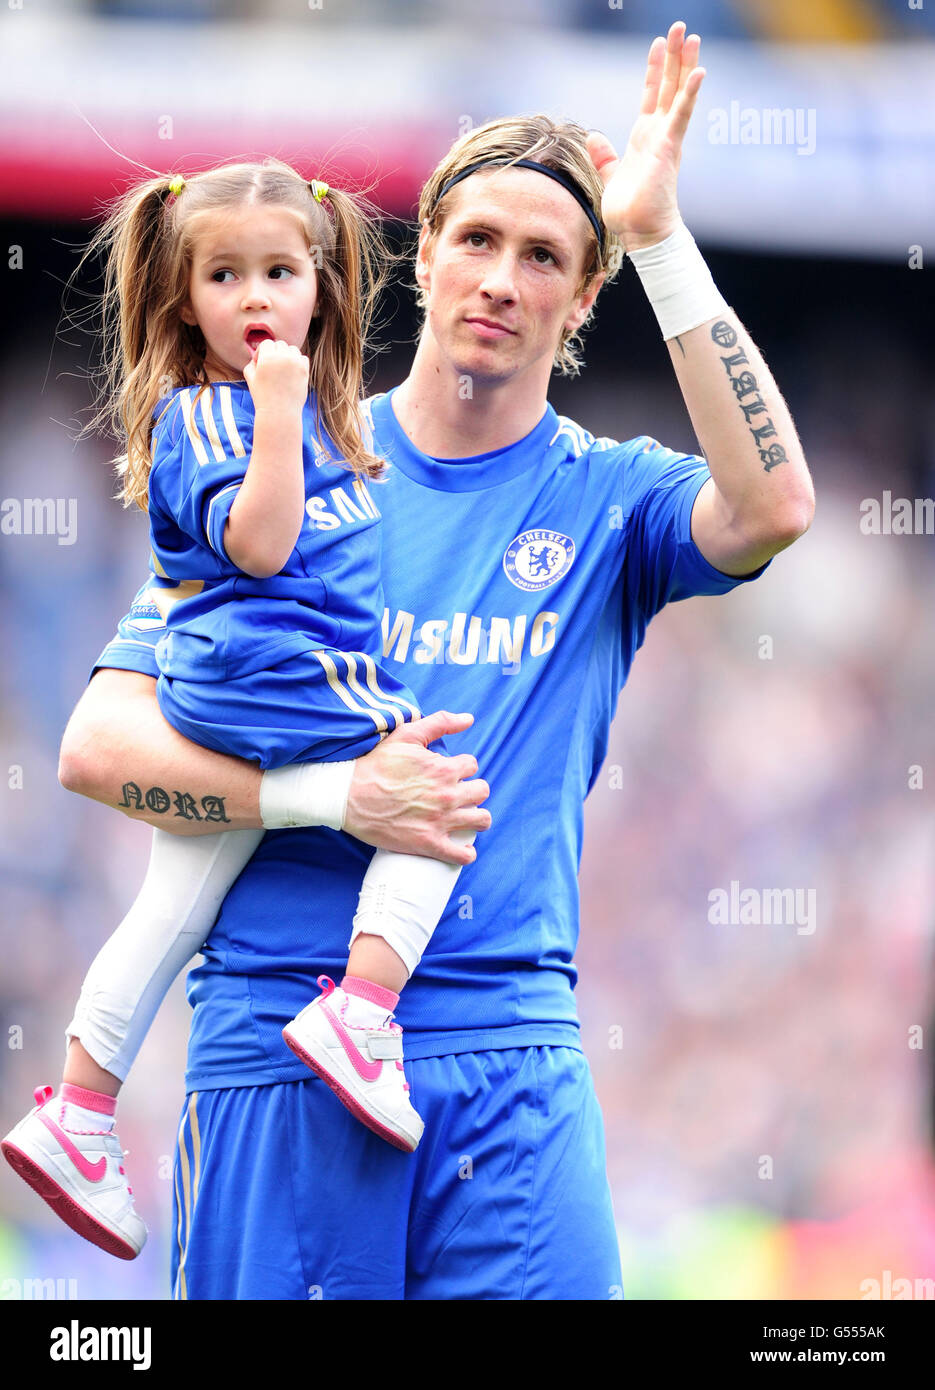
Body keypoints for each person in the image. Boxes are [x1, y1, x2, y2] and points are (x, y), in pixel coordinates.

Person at [43, 26, 815, 1298]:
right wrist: (332, 799)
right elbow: (99, 749)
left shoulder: (609, 499)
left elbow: (775, 506)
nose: (501, 279)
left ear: (579, 298)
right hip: (276, 1053)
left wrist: (659, 237)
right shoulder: (285, 465)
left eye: (544, 257)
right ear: (424, 259)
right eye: (475, 241)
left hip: (505, 1058)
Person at [2, 157, 485, 1258]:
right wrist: (277, 413)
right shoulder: (216, 413)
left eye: (279, 270)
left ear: (321, 283)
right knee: (439, 796)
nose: (256, 297)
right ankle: (362, 1007)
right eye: (226, 276)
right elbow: (259, 545)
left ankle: (78, 1110)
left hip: (240, 693)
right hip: (266, 676)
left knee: (174, 900)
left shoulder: (295, 419)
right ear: (185, 299)